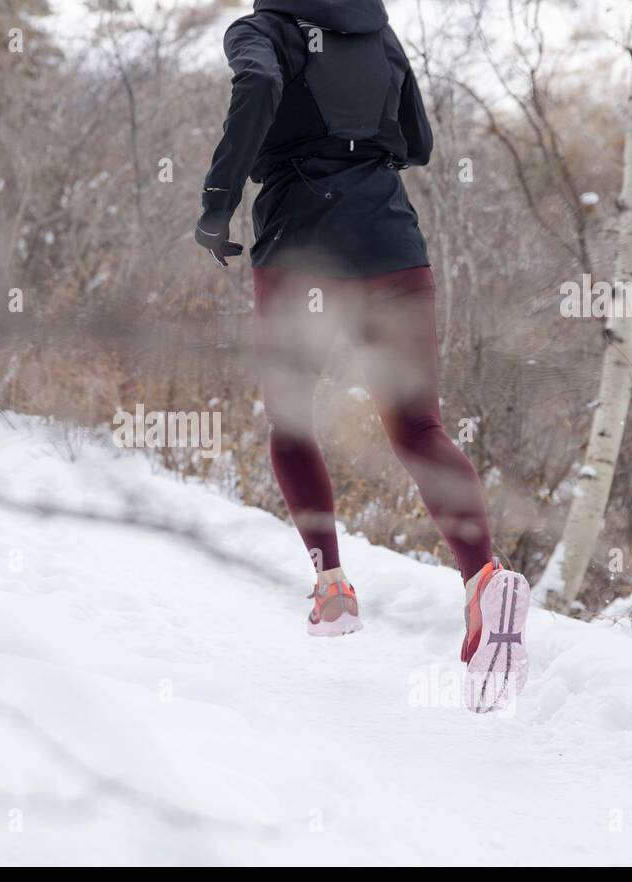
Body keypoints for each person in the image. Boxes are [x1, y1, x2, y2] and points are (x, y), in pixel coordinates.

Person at [195, 0, 527, 709]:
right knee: (418, 428)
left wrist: (219, 201)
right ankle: (483, 580)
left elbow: (256, 87)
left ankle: (333, 586)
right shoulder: (376, 30)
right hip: (392, 246)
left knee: (291, 418)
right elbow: (418, 140)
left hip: (301, 249)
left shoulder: (259, 30)